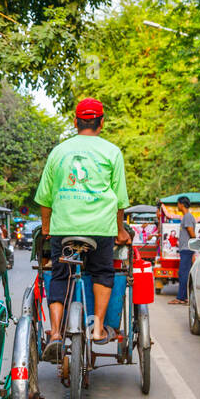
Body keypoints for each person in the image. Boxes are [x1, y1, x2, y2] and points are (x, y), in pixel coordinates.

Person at [34, 96, 130, 361]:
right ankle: (98, 327)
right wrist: (120, 230)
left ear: (76, 122)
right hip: (101, 229)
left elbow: (45, 198)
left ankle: (55, 333)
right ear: (101, 123)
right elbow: (120, 199)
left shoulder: (59, 151)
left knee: (61, 273)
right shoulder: (112, 152)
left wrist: (47, 228)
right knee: (101, 271)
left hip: (64, 228)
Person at [170, 195, 197, 305]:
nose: (177, 206)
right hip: (185, 249)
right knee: (184, 273)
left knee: (183, 273)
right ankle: (184, 297)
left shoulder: (187, 217)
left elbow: (191, 233)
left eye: (178, 204)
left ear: (181, 204)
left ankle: (181, 297)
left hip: (187, 249)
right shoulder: (186, 217)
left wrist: (194, 248)